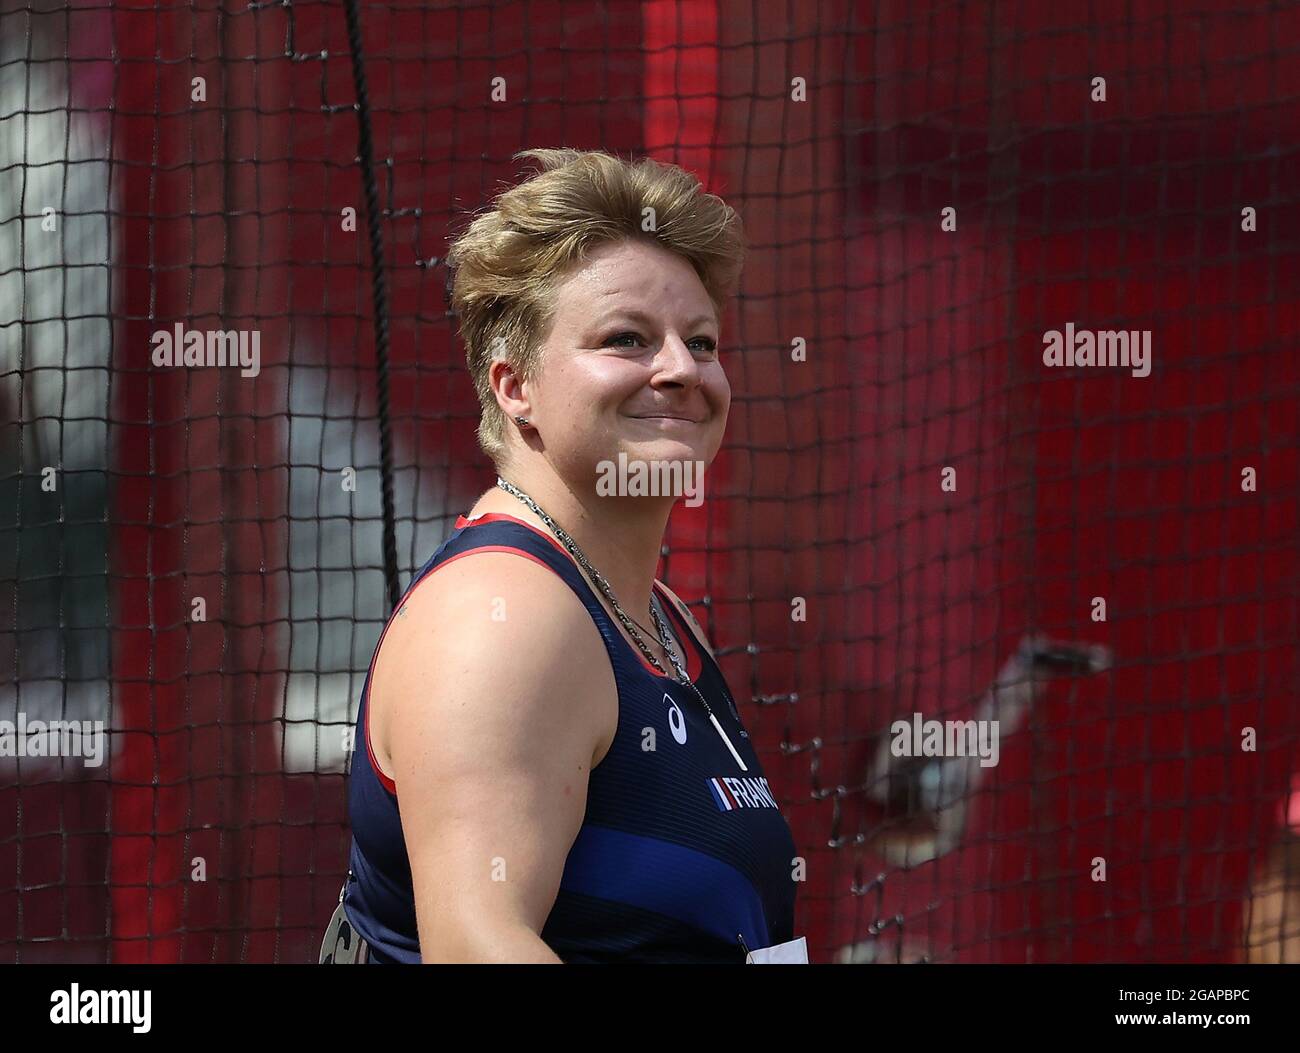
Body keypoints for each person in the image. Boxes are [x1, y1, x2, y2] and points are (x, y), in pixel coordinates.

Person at [330, 148, 802, 963]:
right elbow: (480, 946)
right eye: (627, 339)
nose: (683, 370)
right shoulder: (505, 619)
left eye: (702, 340)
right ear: (515, 386)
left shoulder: (653, 617)